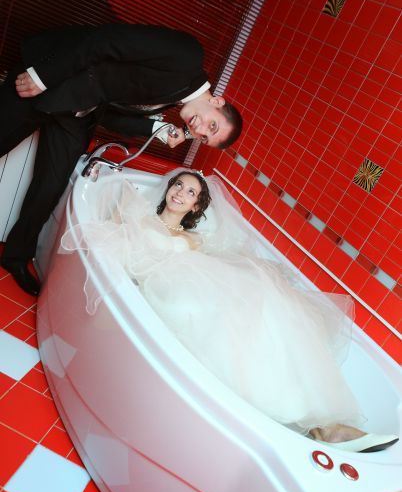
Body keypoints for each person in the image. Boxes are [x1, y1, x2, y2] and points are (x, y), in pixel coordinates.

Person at [62, 168, 398, 453]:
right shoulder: (139, 217)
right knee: (213, 315)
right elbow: (111, 241)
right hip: (166, 289)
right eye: (178, 184)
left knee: (265, 312)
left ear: (196, 205)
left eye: (190, 192)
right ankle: (317, 426)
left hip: (194, 285)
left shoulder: (194, 240)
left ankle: (325, 425)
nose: (180, 192)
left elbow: (214, 269)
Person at [0, 23, 243, 296]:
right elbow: (106, 41)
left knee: (50, 187)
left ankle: (16, 256)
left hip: (77, 114)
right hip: (51, 81)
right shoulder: (187, 55)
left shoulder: (174, 100)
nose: (199, 130)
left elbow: (110, 112)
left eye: (204, 137)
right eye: (212, 125)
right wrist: (43, 77)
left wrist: (156, 129)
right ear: (218, 102)